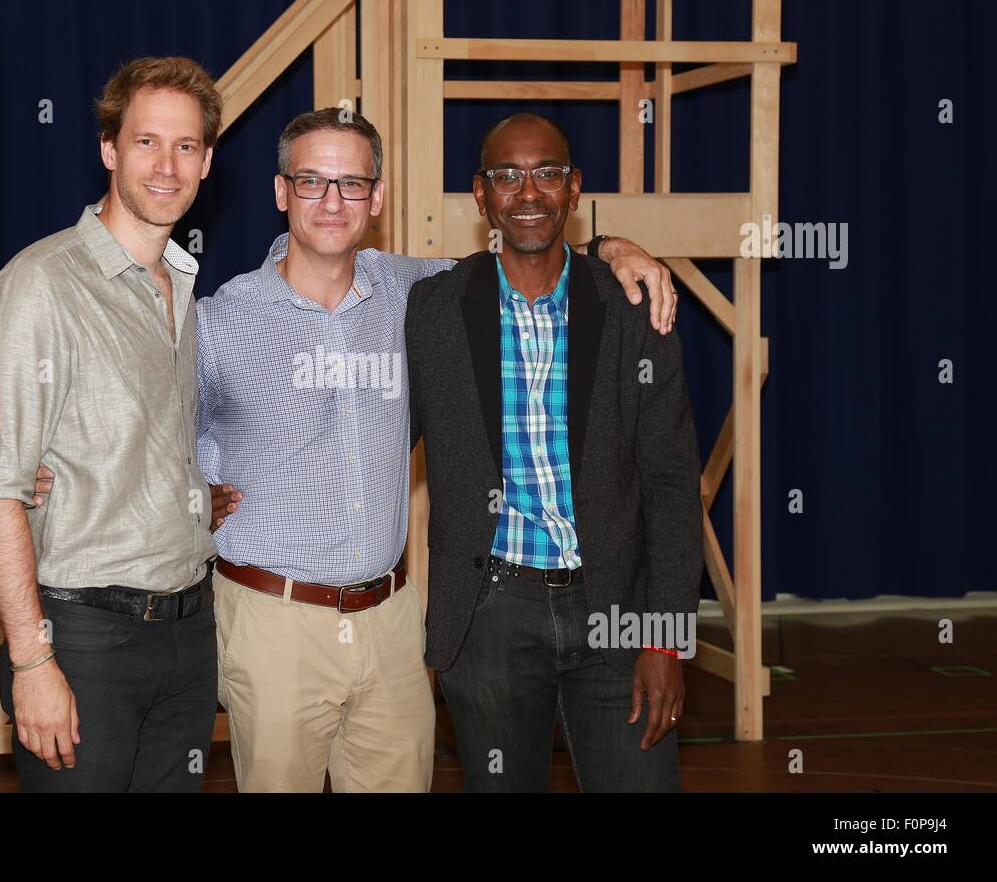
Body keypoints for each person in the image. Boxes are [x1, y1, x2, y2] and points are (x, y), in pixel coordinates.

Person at [190, 107, 679, 791]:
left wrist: (610, 246)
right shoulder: (219, 320)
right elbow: (153, 432)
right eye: (311, 181)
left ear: (377, 198)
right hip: (277, 622)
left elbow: (531, 247)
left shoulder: (415, 294)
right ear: (281, 191)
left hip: (391, 623)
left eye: (352, 183)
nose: (332, 201)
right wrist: (189, 490)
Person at [406, 112, 703, 791]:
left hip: (617, 608)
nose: (528, 191)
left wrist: (665, 637)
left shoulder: (633, 306)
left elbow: (671, 483)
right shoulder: (433, 308)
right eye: (507, 175)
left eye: (547, 172)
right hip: (489, 614)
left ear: (574, 187)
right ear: (480, 194)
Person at [0, 56, 222, 791]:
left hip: (189, 634)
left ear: (207, 161)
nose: (167, 165)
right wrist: (32, 660)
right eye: (146, 142)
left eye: (186, 146)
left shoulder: (180, 285)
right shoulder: (39, 285)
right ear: (109, 149)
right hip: (84, 639)